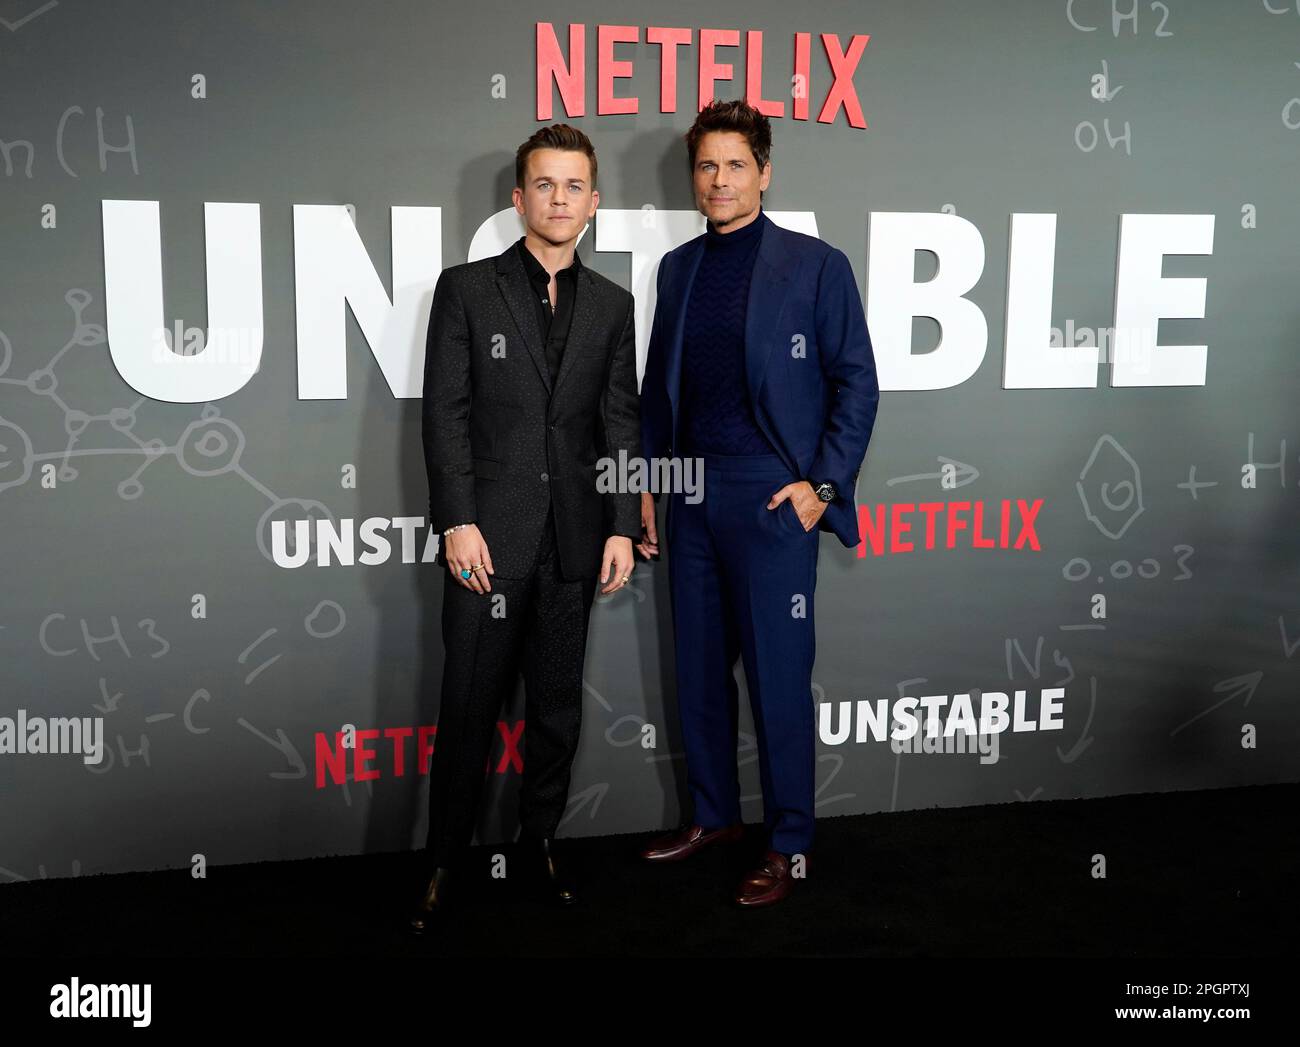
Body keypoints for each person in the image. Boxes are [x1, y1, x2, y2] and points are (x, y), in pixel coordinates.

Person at [636, 99, 880, 907]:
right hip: (691, 492)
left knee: (778, 676)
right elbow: (658, 400)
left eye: (736, 164)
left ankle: (787, 841)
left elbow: (858, 382)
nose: (720, 179)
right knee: (698, 670)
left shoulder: (817, 265)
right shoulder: (678, 269)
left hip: (773, 496)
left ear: (765, 173)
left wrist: (823, 487)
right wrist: (646, 487)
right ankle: (712, 816)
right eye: (706, 165)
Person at [410, 124, 640, 934]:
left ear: (594, 202)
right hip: (488, 541)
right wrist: (459, 520)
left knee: (555, 710)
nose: (559, 199)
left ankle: (539, 841)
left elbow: (620, 423)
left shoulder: (614, 304)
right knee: (469, 706)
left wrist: (620, 525)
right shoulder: (467, 289)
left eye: (574, 186)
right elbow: (446, 414)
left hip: (574, 544)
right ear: (519, 198)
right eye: (545, 184)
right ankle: (444, 861)